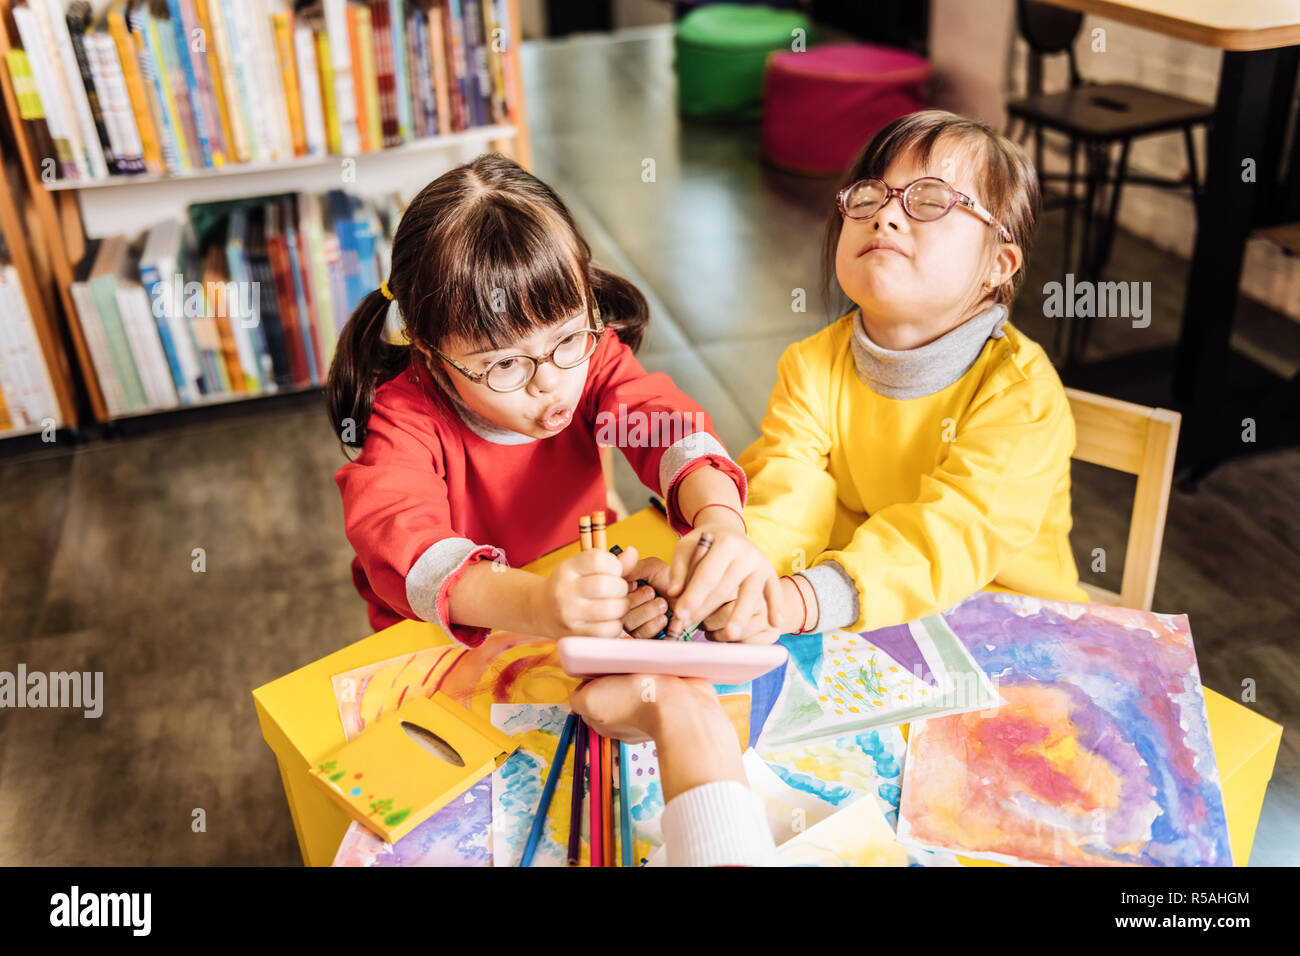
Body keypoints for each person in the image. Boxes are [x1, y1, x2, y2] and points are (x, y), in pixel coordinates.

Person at [327, 154, 781, 645]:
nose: (550, 382)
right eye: (504, 364)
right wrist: (538, 605)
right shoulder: (404, 420)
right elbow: (405, 546)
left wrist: (719, 521)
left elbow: (663, 426)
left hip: (574, 596)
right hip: (445, 633)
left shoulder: (593, 360)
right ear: (431, 353)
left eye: (566, 338)